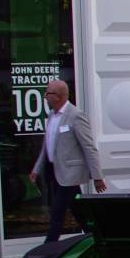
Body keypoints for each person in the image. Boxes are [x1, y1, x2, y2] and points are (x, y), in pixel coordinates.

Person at [29, 78, 105, 242]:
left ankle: (48, 249)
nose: (45, 96)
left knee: (57, 213)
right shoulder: (51, 115)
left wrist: (97, 177)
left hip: (70, 174)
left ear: (59, 96)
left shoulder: (75, 116)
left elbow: (89, 146)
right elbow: (47, 146)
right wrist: (36, 169)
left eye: (47, 93)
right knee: (79, 213)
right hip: (55, 172)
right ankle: (98, 239)